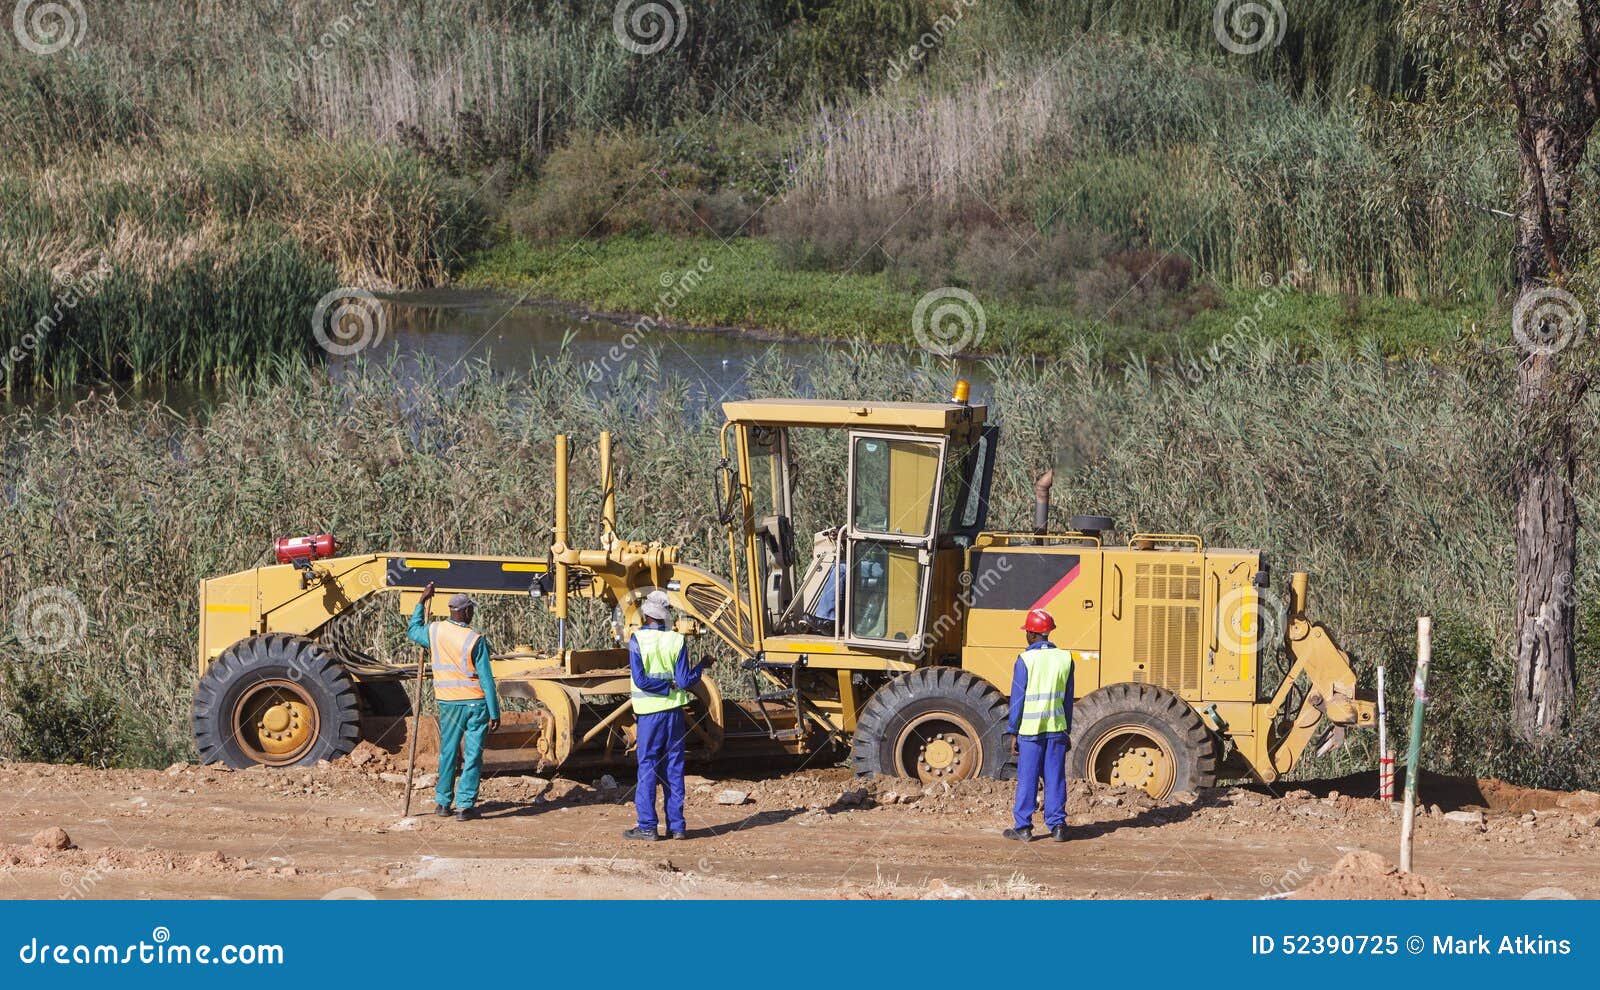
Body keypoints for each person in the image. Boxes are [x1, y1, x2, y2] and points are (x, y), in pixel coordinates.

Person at [408, 582, 499, 821]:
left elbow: (412, 630)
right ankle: (465, 806)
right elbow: (487, 679)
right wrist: (495, 711)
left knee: (447, 752)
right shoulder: (475, 639)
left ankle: (443, 804)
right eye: (471, 610)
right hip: (475, 705)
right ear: (466, 611)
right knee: (472, 755)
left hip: (448, 704)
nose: (472, 614)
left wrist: (421, 600)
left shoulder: (434, 631)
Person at [625, 590, 711, 841]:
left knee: (648, 766)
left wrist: (663, 687)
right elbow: (685, 681)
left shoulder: (637, 640)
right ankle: (677, 827)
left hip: (649, 714)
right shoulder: (677, 640)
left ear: (647, 615)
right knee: (674, 767)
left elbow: (640, 680)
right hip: (674, 714)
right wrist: (702, 666)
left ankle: (648, 826)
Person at [1004, 608, 1074, 842]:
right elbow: (1068, 699)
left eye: (1027, 632)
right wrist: (1067, 730)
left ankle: (1023, 827)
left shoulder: (1025, 660)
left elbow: (1018, 700)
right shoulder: (1065, 658)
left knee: (1028, 778)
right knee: (1055, 778)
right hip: (1056, 729)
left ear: (1032, 634)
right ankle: (1058, 827)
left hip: (1030, 732)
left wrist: (1013, 731)